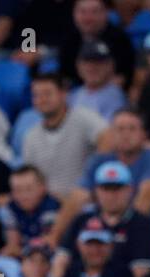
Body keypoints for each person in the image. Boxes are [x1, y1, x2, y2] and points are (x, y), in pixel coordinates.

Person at [20, 73, 109, 201]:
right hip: (48, 205)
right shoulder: (31, 136)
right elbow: (30, 177)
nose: (42, 100)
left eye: (47, 94)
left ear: (63, 94)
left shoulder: (83, 118)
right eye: (36, 95)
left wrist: (92, 181)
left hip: (84, 202)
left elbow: (108, 137)